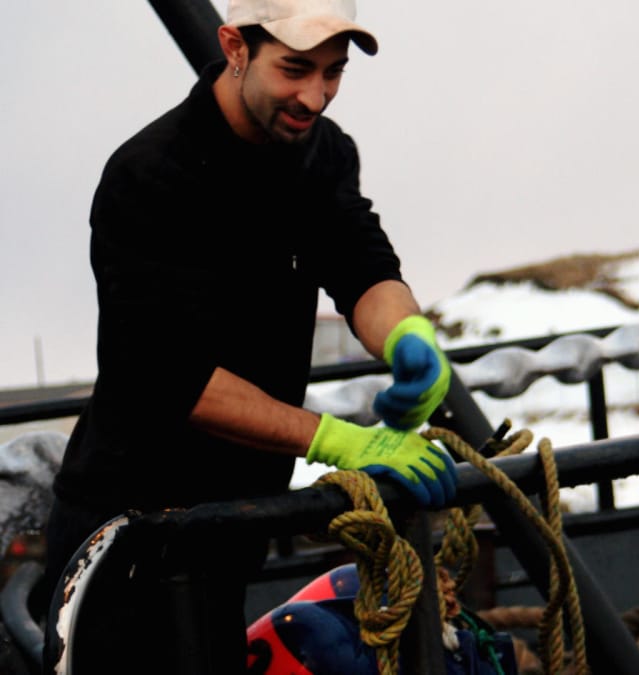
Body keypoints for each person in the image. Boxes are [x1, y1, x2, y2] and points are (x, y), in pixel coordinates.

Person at [37, 1, 458, 672]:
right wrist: (336, 439)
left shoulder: (321, 152)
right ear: (234, 47)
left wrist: (409, 335)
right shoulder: (148, 176)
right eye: (295, 69)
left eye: (333, 73)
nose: (314, 95)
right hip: (131, 536)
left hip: (230, 525)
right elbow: (174, 378)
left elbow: (364, 266)